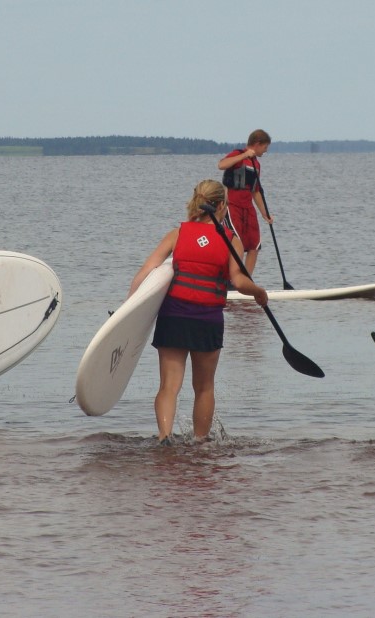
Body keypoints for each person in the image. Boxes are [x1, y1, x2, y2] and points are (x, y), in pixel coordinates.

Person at [129, 179, 268, 444]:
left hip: (174, 316)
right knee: (204, 388)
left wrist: (127, 308)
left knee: (169, 386)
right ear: (222, 206)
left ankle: (164, 437)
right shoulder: (231, 241)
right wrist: (259, 292)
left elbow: (145, 273)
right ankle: (201, 444)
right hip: (207, 319)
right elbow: (239, 282)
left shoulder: (177, 234)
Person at [217, 129, 273, 275]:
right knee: (237, 244)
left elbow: (255, 191)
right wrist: (243, 155)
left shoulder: (257, 165)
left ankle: (246, 279)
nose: (265, 151)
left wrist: (265, 214)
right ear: (257, 144)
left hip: (248, 208)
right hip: (232, 206)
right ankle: (233, 278)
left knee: (255, 245)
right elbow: (221, 165)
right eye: (265, 147)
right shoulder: (238, 154)